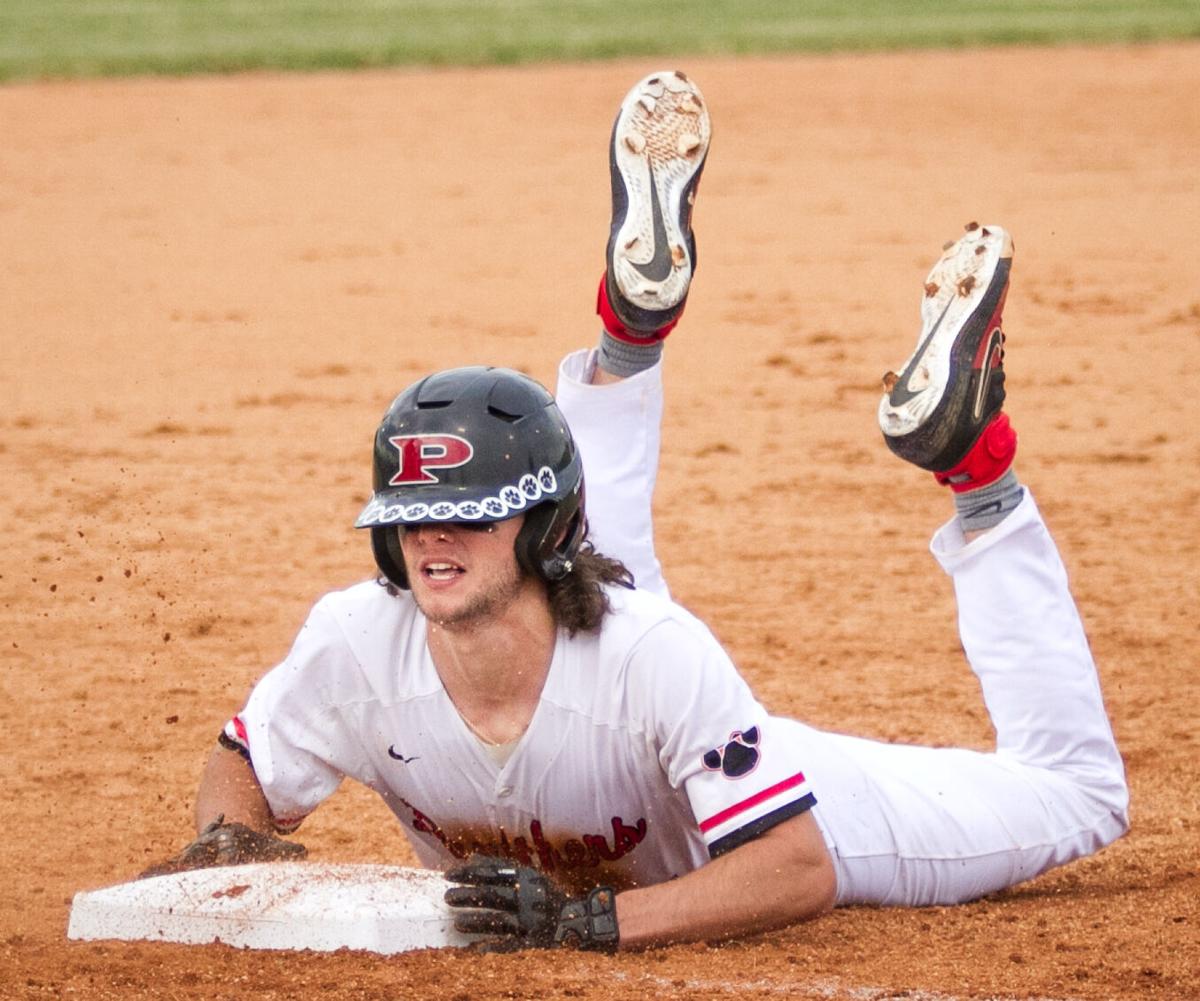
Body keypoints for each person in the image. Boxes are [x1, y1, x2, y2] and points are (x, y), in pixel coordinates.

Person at [144, 71, 1129, 952]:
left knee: (1078, 791)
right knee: (609, 633)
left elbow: (797, 865)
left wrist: (591, 920)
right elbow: (246, 758)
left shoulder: (649, 652)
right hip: (643, 706)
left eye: (471, 512)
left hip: (753, 806)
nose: (434, 537)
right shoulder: (354, 640)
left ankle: (979, 473)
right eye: (413, 515)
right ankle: (629, 333)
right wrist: (227, 841)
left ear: (533, 526)